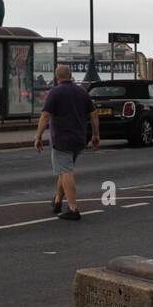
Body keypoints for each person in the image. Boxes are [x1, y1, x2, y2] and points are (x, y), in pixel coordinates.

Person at [34, 65, 99, 220]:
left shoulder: (55, 92)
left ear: (57, 77)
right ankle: (57, 201)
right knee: (65, 170)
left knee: (66, 172)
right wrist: (96, 135)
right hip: (79, 139)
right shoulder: (81, 91)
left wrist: (38, 136)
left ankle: (73, 208)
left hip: (62, 139)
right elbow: (94, 113)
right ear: (71, 76)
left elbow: (45, 116)